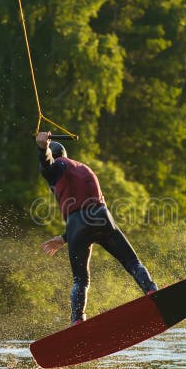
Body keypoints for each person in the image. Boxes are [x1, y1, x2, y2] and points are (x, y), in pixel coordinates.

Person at [36, 131, 158, 325]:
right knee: (133, 263)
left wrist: (43, 149)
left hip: (77, 224)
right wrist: (64, 237)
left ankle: (78, 320)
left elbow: (47, 166)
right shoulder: (85, 169)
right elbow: (89, 208)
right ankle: (151, 290)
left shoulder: (58, 166)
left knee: (81, 280)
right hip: (101, 216)